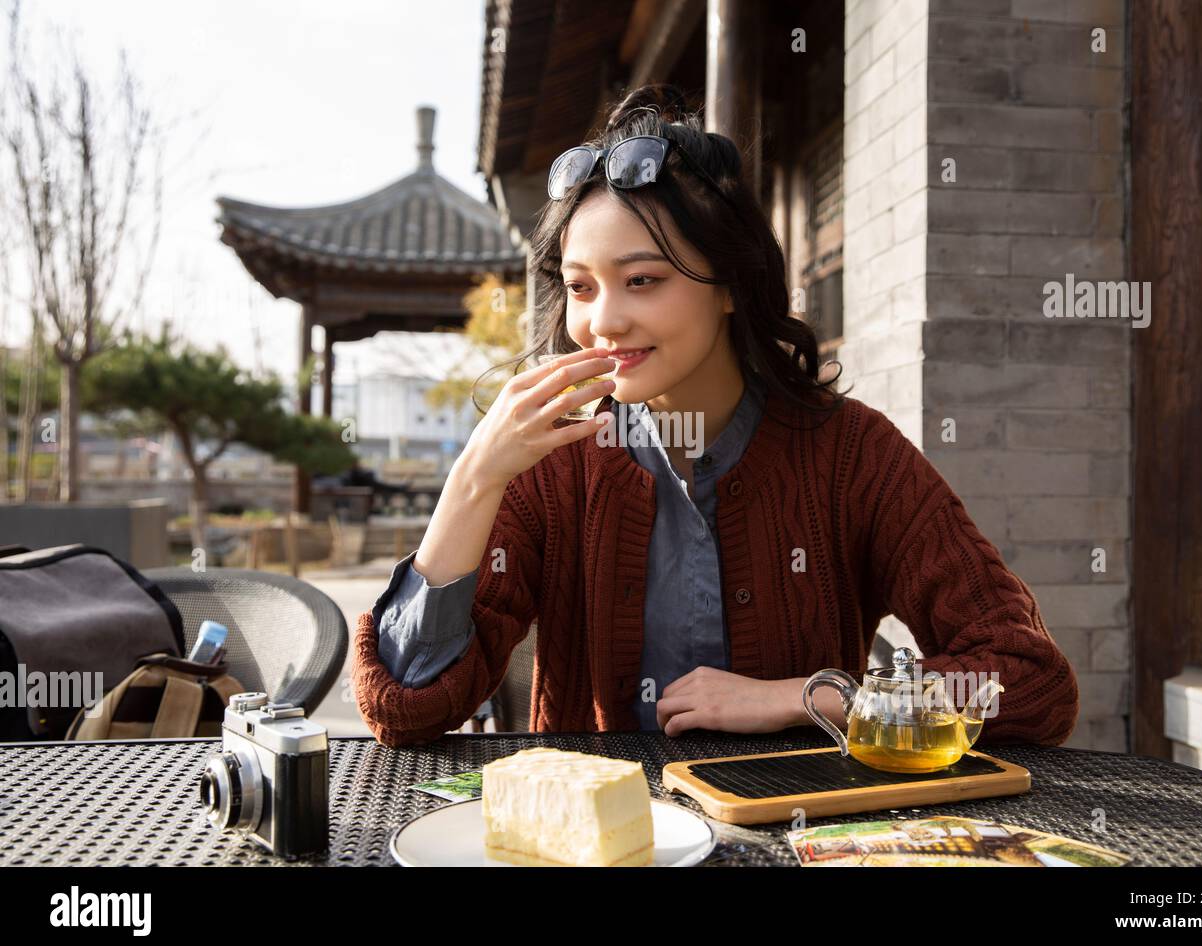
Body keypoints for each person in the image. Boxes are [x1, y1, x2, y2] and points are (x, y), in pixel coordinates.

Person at [351, 83, 1079, 748]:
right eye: (580, 287)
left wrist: (812, 697)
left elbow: (1030, 682)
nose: (603, 321)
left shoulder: (851, 453)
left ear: (730, 282)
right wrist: (475, 476)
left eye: (642, 280)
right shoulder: (547, 463)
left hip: (804, 833)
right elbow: (407, 712)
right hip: (599, 846)